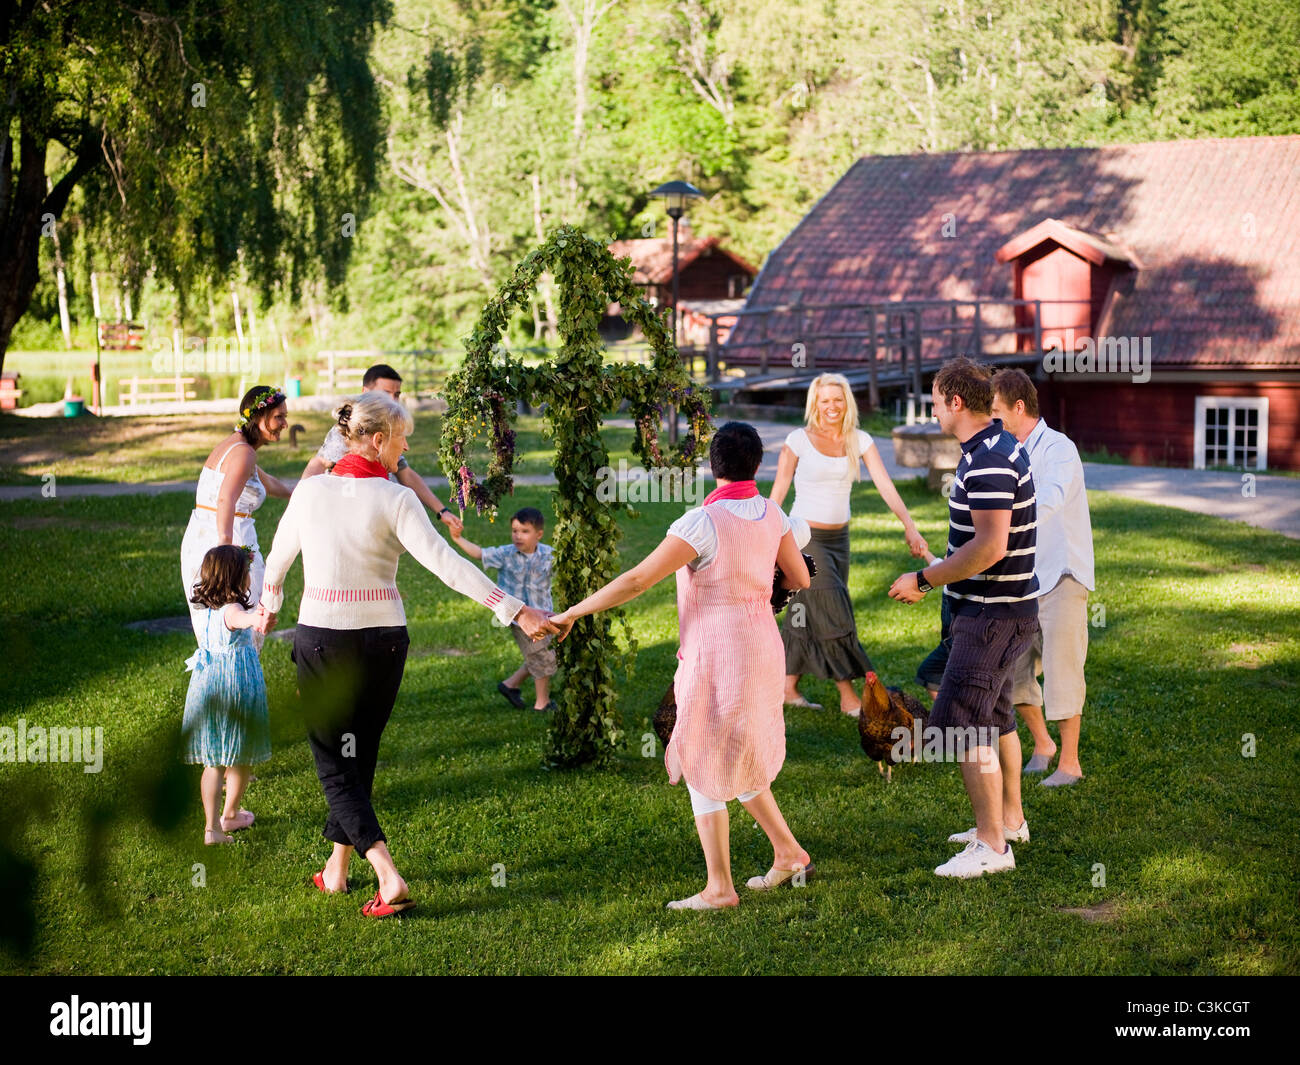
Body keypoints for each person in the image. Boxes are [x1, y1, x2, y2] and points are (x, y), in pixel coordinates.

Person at [257, 391, 552, 917]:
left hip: (324, 639)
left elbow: (277, 561)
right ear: (376, 441)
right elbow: (446, 565)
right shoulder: (397, 498)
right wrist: (516, 609)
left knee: (334, 764)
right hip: (384, 643)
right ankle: (336, 869)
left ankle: (387, 874)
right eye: (402, 439)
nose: (405, 448)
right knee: (356, 754)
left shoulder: (311, 492)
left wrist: (269, 607)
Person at [546, 423, 813, 911]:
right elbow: (798, 577)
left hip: (716, 655)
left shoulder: (699, 524)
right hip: (763, 649)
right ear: (758, 465)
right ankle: (790, 853)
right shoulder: (774, 514)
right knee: (739, 749)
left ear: (712, 466)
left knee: (701, 757)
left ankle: (719, 888)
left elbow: (637, 580)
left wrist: (572, 612)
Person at [888, 357, 1039, 879]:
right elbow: (979, 541)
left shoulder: (990, 459)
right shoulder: (991, 447)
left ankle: (993, 847)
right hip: (990, 609)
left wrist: (927, 581)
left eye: (934, 400)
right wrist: (941, 566)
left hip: (992, 614)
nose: (932, 410)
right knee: (994, 717)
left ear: (955, 402)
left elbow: (993, 546)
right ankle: (1006, 823)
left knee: (962, 726)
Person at [770, 372, 928, 714]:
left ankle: (787, 687)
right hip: (804, 539)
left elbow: (886, 485)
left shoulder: (860, 440)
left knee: (806, 612)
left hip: (840, 540)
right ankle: (849, 696)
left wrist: (909, 526)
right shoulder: (797, 439)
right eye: (824, 400)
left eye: (837, 400)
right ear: (815, 403)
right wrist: (766, 531)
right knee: (834, 610)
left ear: (847, 403)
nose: (831, 406)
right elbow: (779, 490)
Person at [991, 369, 1093, 787]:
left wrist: (1007, 518)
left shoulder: (1059, 449)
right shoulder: (1004, 449)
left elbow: (1048, 498)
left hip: (1061, 573)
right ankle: (1043, 743)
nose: (992, 420)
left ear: (1019, 408)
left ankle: (1070, 763)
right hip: (1022, 576)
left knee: (1062, 667)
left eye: (996, 412)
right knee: (1012, 669)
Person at [180, 385, 293, 646]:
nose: (285, 424)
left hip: (202, 535)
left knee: (220, 626)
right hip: (228, 537)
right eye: (279, 417)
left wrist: (296, 493)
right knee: (243, 624)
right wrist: (226, 549)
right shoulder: (243, 453)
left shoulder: (237, 447)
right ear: (259, 417)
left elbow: (267, 484)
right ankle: (240, 680)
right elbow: (225, 499)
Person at [300, 363, 463, 536]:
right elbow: (319, 462)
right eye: (385, 394)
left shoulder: (388, 431)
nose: (393, 400)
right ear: (365, 392)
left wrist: (442, 511)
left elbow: (405, 473)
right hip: (345, 518)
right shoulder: (349, 430)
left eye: (397, 394)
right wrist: (299, 505)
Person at [181, 545, 272, 846]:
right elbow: (244, 620)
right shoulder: (233, 610)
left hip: (208, 688)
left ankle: (211, 828)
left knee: (213, 761)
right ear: (236, 579)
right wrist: (259, 619)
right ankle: (230, 813)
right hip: (234, 690)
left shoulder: (205, 611)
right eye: (246, 573)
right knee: (239, 756)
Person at [450, 507, 557, 712]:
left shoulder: (549, 555)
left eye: (525, 531)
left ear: (539, 534)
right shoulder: (506, 554)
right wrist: (458, 539)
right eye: (515, 531)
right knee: (542, 656)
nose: (518, 536)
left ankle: (510, 685)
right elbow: (480, 553)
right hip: (518, 617)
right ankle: (542, 703)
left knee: (541, 654)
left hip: (543, 615)